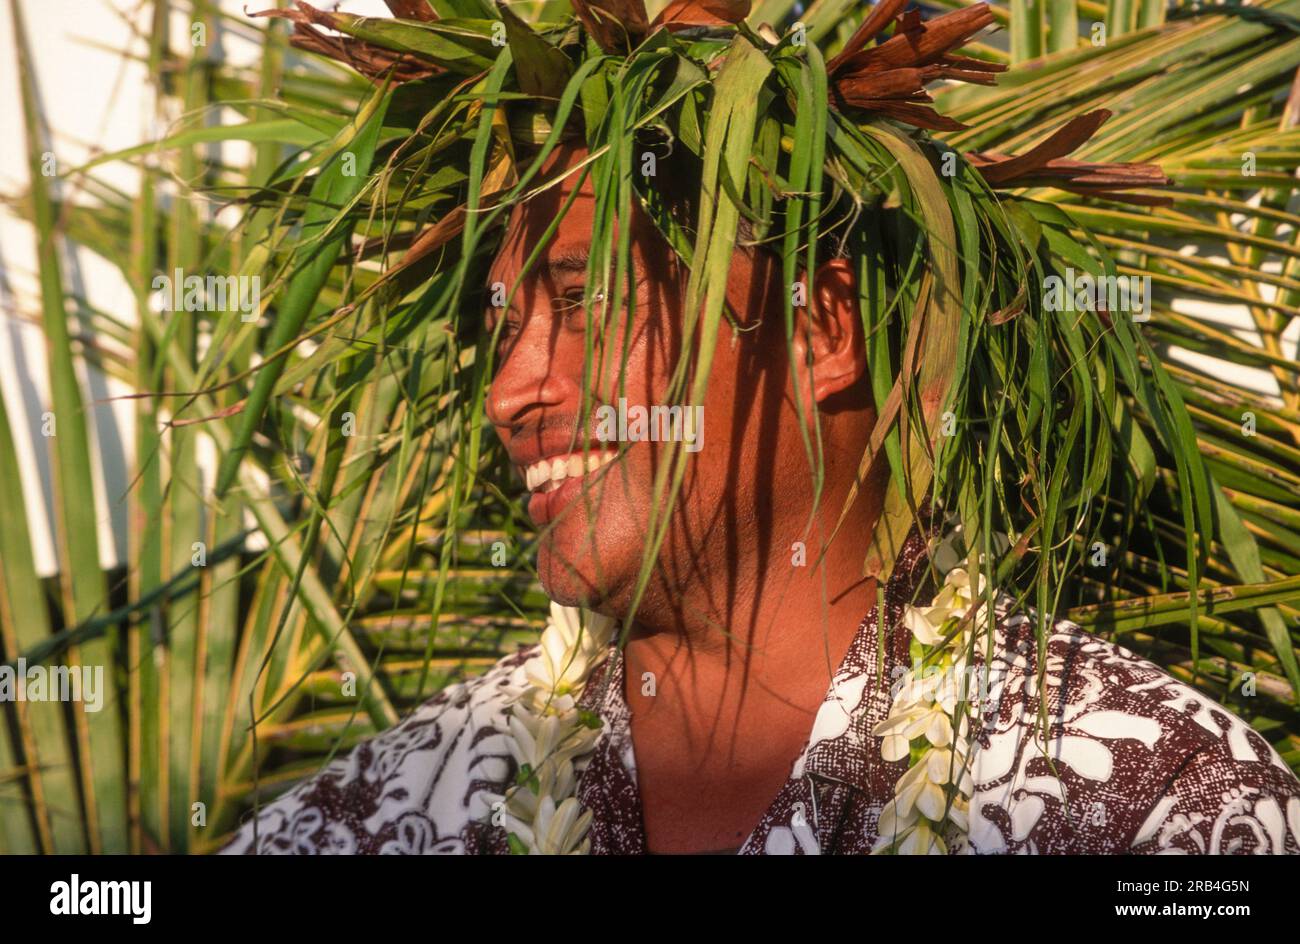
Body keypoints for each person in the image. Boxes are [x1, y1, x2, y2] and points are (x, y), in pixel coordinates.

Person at [220, 136, 1300, 856]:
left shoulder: (1159, 804)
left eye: (586, 301)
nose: (508, 392)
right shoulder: (384, 813)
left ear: (822, 329)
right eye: (503, 330)